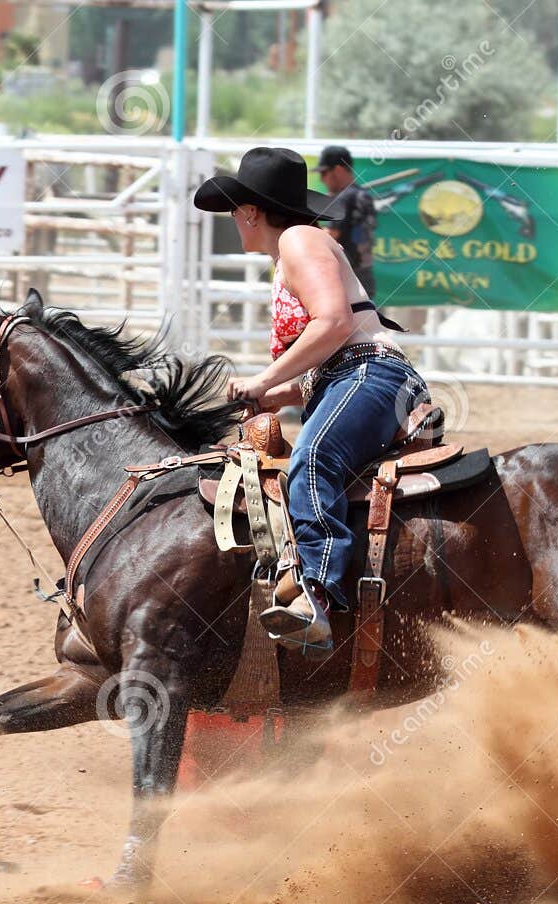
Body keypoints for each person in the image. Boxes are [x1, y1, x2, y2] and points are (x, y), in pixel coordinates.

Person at [193, 147, 424, 651]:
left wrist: (261, 381)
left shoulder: (300, 239)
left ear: (252, 211)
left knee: (313, 459)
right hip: (353, 379)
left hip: (371, 376)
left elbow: (335, 324)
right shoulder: (292, 250)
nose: (234, 219)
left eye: (236, 209)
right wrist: (279, 395)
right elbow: (329, 357)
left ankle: (313, 593)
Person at [315, 145, 378, 298]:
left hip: (345, 279)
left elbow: (330, 236)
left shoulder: (343, 199)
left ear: (338, 170)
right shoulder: (362, 195)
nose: (321, 179)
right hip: (364, 274)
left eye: (324, 173)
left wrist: (308, 227)